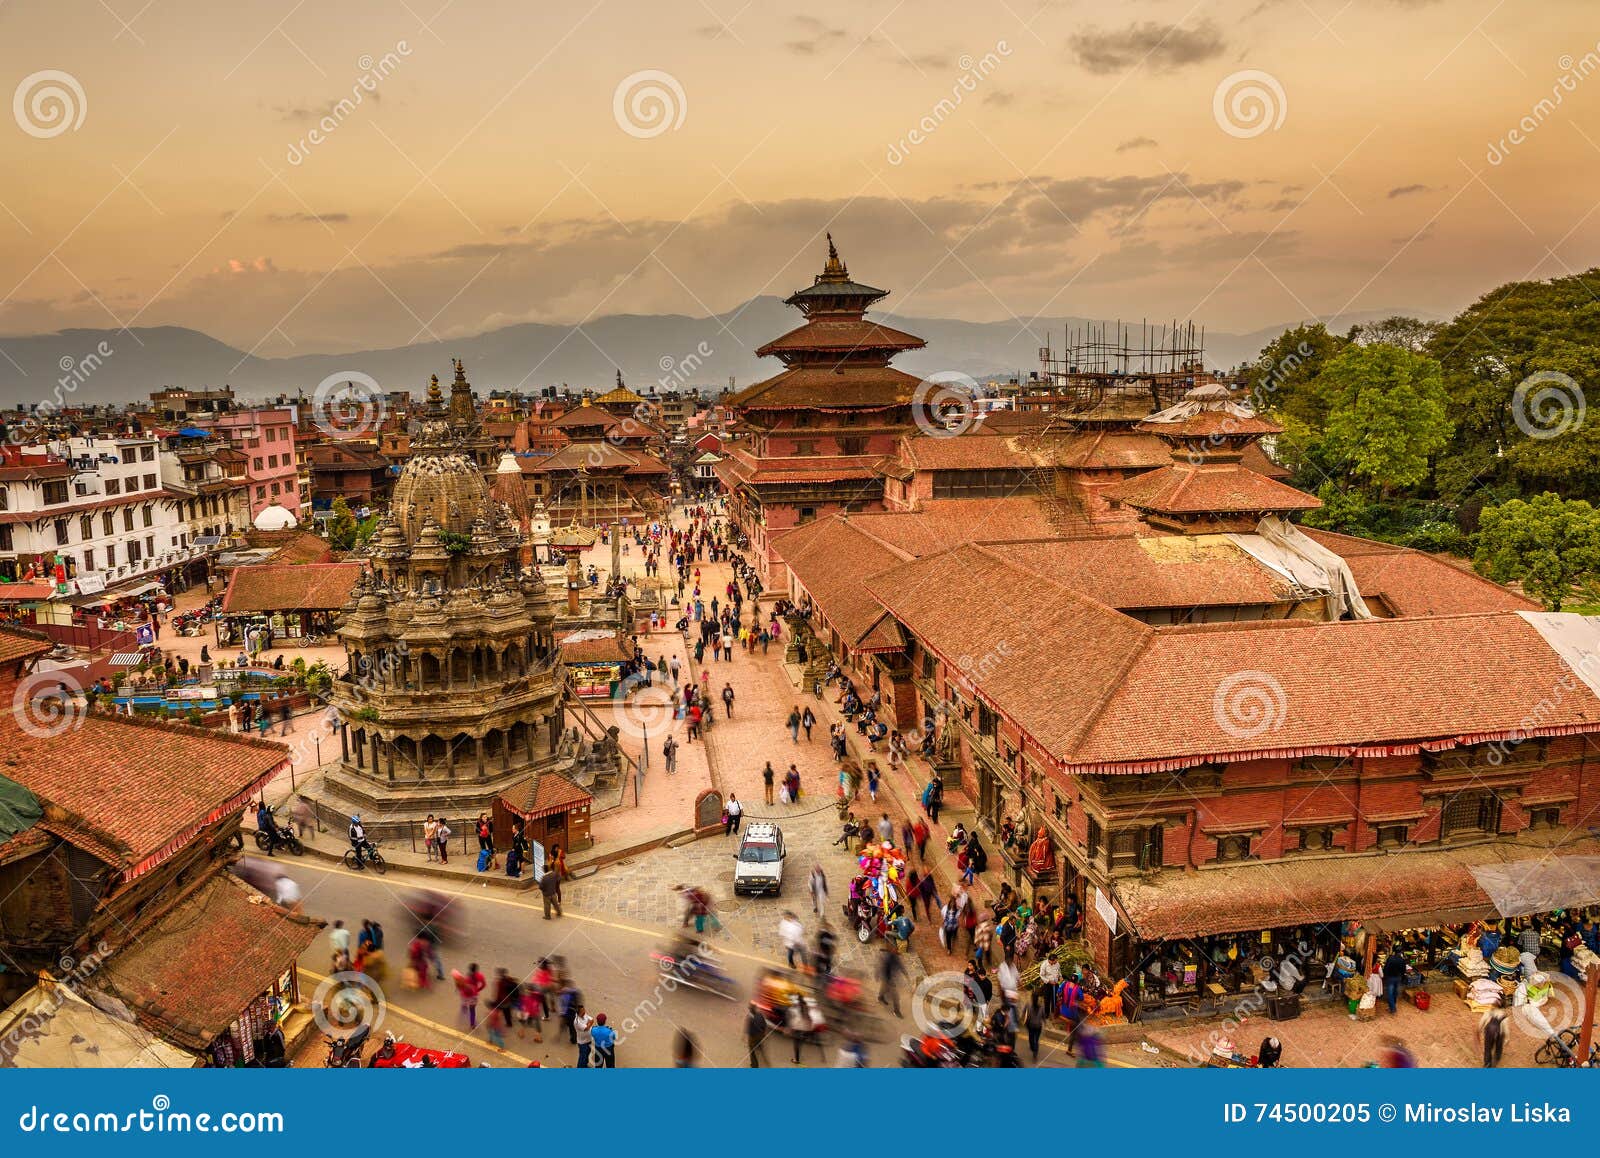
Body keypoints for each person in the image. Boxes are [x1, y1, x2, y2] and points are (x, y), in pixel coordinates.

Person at [452, 962, 486, 1029]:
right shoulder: (480, 976)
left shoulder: (466, 977)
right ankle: (472, 1024)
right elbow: (483, 985)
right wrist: (478, 990)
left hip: (465, 996)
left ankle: (464, 1010)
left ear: (470, 969)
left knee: (464, 1006)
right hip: (473, 996)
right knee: (472, 1010)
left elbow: (461, 987)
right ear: (476, 970)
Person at [877, 941, 904, 1016]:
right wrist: (879, 975)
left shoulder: (895, 956)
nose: (896, 950)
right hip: (888, 979)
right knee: (895, 996)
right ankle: (896, 1011)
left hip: (889, 979)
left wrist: (905, 973)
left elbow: (900, 965)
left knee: (884, 989)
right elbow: (881, 968)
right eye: (895, 949)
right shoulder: (887, 958)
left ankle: (880, 997)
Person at [1382, 944, 1407, 1014]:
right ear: (1401, 952)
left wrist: (1385, 976)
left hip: (1390, 978)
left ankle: (1393, 1008)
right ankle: (1392, 1006)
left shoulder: (1390, 958)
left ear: (1394, 951)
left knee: (1390, 993)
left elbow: (1386, 968)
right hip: (1398, 978)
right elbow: (1403, 970)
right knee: (1395, 992)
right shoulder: (1402, 960)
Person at [744, 1001, 770, 1067]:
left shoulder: (750, 1017)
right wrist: (764, 1033)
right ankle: (765, 1061)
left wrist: (746, 1035)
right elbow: (764, 1024)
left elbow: (749, 1028)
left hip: (754, 1037)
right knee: (760, 1047)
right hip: (760, 1035)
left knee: (752, 1051)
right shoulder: (760, 1014)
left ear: (750, 1009)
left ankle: (754, 1065)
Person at [573, 1004, 594, 1068]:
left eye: (584, 1009)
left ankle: (585, 1065)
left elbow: (592, 1020)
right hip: (582, 1043)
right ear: (579, 1012)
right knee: (582, 1057)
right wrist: (588, 1024)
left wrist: (588, 1024)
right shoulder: (577, 1021)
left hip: (589, 1040)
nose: (584, 1011)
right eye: (582, 1010)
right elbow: (586, 1028)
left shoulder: (585, 1015)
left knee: (587, 1054)